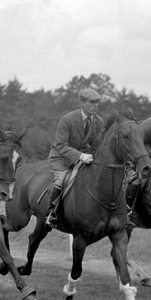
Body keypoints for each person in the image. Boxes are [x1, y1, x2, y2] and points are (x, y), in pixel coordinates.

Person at [44, 87, 103, 230]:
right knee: (62, 179)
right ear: (82, 103)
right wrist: (81, 156)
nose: (96, 105)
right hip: (61, 159)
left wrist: (94, 157)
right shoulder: (67, 119)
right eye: (92, 102)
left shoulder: (99, 121)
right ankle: (51, 213)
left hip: (84, 159)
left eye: (98, 102)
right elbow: (61, 145)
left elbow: (96, 146)